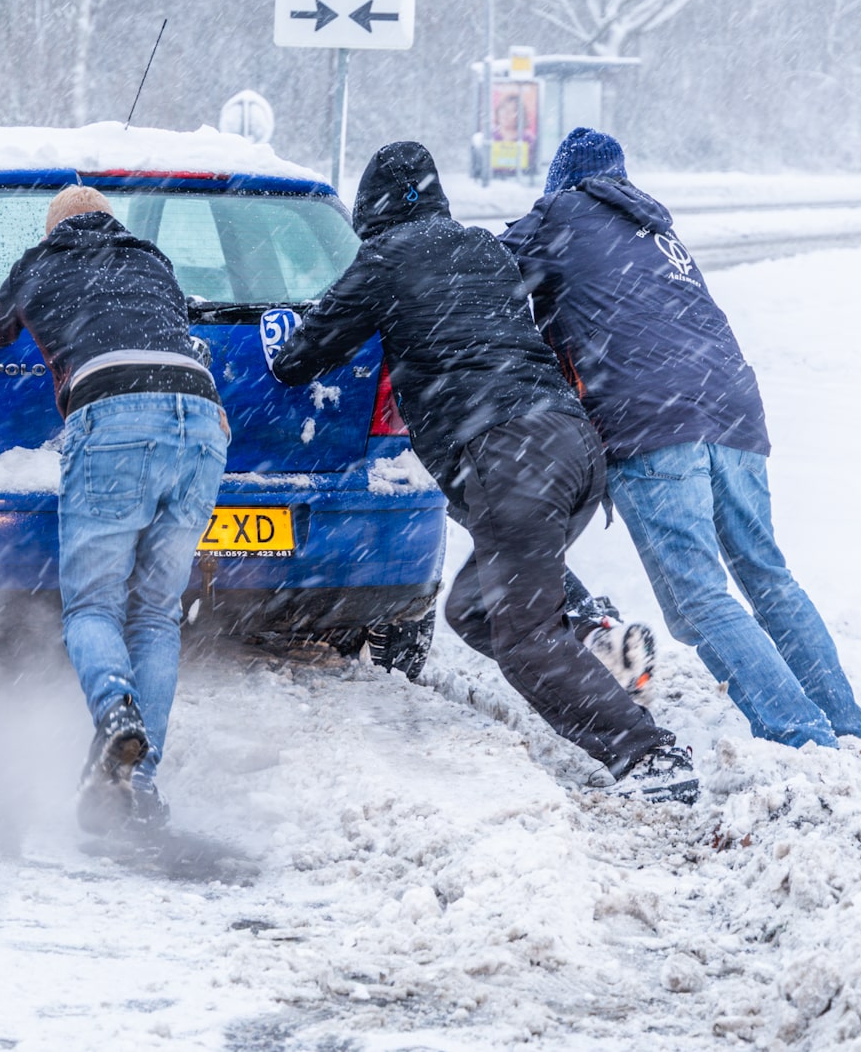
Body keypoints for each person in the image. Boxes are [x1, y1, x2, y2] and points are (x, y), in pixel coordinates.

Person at [270, 141, 698, 802]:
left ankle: (650, 757)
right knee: (473, 606)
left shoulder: (384, 258)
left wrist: (291, 327)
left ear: (372, 209)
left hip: (510, 455)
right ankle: (592, 634)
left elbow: (300, 357)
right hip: (573, 449)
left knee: (523, 640)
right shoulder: (485, 247)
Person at [502, 128, 861, 756]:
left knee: (698, 598)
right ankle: (852, 730)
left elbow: (481, 269)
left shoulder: (562, 211)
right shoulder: (656, 230)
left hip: (651, 418)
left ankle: (802, 739)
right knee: (767, 576)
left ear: (563, 181)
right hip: (733, 409)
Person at [0, 186, 230, 833]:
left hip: (112, 417)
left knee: (93, 605)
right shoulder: (153, 259)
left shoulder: (41, 261)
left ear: (55, 229)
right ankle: (139, 783)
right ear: (113, 222)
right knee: (157, 613)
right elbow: (174, 324)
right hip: (201, 418)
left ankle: (115, 713)